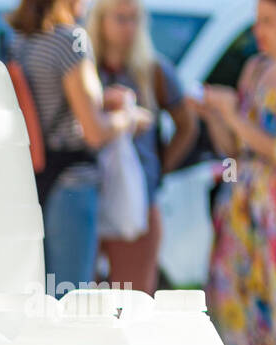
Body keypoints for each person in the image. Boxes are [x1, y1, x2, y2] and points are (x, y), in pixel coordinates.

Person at [9, 0, 153, 291]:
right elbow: (94, 132)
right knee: (71, 295)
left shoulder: (21, 41)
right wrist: (129, 118)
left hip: (33, 180)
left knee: (40, 290)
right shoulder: (71, 40)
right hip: (72, 183)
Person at [199, 0, 276, 345]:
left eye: (269, 20)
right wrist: (217, 117)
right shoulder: (254, 68)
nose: (258, 30)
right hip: (241, 219)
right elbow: (234, 150)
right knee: (240, 326)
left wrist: (234, 116)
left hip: (273, 224)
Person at [87, 0, 199, 294]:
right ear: (101, 21)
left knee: (133, 300)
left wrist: (161, 169)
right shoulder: (85, 69)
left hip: (139, 198)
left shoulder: (154, 70)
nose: (129, 27)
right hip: (89, 193)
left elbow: (187, 125)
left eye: (134, 19)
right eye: (120, 18)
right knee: (83, 300)